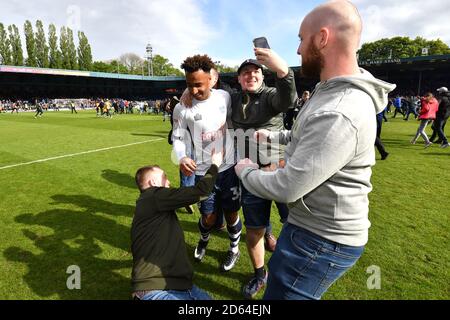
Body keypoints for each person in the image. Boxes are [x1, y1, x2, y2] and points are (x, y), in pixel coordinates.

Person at [235, 0, 396, 300]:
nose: (298, 50)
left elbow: (287, 187)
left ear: (322, 38)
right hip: (313, 230)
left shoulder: (340, 109)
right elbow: (306, 136)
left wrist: (245, 171)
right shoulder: (329, 90)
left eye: (300, 39)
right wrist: (276, 138)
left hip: (320, 239)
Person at [231, 56, 297, 299]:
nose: (251, 75)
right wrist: (185, 97)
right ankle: (260, 274)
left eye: (255, 71)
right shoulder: (234, 98)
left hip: (279, 170)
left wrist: (282, 71)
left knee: (293, 223)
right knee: (254, 228)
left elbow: (288, 98)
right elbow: (209, 94)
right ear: (238, 78)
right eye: (245, 72)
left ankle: (290, 269)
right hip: (251, 176)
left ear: (262, 75)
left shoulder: (270, 95)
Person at [172, 54, 242, 272]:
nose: (193, 91)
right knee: (208, 217)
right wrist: (182, 156)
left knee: (232, 214)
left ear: (212, 79)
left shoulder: (225, 97)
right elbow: (178, 137)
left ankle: (234, 248)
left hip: (229, 168)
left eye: (198, 85)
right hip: (203, 172)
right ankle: (203, 240)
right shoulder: (182, 108)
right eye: (189, 85)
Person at [131, 151, 223, 300]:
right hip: (155, 290)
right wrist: (215, 164)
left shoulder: (149, 204)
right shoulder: (153, 195)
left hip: (184, 287)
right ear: (153, 183)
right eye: (165, 178)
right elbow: (201, 191)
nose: (168, 183)